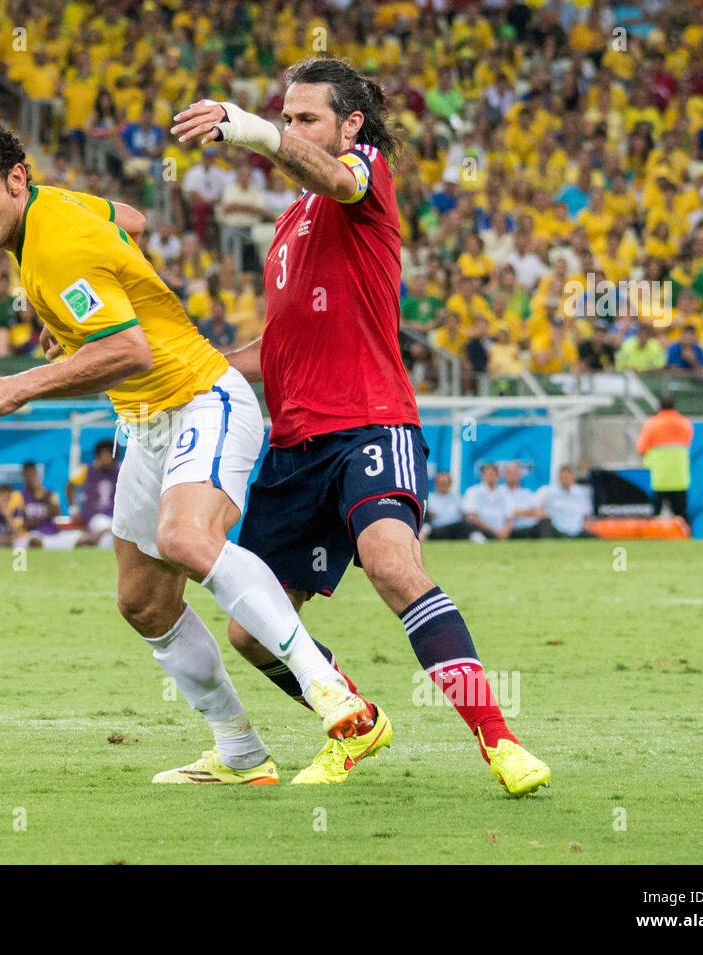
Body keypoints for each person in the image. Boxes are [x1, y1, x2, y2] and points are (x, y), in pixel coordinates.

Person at [0, 118, 370, 785]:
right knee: (143, 601)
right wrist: (100, 311)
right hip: (144, 422)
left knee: (185, 536)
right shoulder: (56, 207)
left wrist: (21, 383)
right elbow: (131, 218)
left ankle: (336, 694)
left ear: (16, 179)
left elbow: (130, 349)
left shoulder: (56, 244)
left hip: (203, 397)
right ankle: (240, 752)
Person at [173, 58, 549, 791]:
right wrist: (186, 365)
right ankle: (354, 719)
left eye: (305, 118)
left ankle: (500, 742)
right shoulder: (287, 224)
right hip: (293, 446)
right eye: (283, 117)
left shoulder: (362, 175)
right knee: (252, 629)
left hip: (372, 423)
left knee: (391, 562)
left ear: (349, 125)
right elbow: (273, 347)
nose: (291, 130)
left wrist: (247, 131)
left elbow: (335, 177)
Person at [637, 395, 694, 523]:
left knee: (656, 513)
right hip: (680, 475)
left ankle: (652, 537)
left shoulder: (652, 424)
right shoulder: (684, 423)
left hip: (660, 476)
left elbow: (641, 448)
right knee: (681, 513)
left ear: (659, 407)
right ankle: (685, 537)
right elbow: (687, 442)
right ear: (674, 407)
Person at [20, 461, 81, 549]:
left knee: (83, 539)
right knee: (34, 542)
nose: (31, 478)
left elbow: (58, 514)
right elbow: (23, 525)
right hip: (33, 534)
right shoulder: (19, 496)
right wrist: (45, 515)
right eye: (28, 474)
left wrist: (44, 496)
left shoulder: (49, 493)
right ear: (23, 476)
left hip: (52, 532)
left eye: (33, 474)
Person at [421, 472, 483, 541]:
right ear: (436, 484)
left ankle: (476, 536)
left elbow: (464, 513)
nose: (442, 485)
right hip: (438, 528)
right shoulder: (429, 498)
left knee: (466, 523)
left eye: (444, 483)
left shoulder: (457, 498)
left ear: (450, 484)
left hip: (456, 527)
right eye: (440, 483)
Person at [537, 466, 595, 538]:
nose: (565, 480)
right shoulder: (549, 491)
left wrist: (587, 524)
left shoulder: (580, 493)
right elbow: (536, 507)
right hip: (557, 530)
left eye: (567, 477)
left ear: (573, 478)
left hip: (576, 530)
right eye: (562, 477)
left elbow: (587, 514)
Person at [503, 462, 556, 538]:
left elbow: (538, 512)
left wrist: (520, 513)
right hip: (512, 529)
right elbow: (509, 513)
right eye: (511, 473)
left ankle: (547, 547)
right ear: (505, 475)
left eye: (516, 473)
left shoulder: (527, 493)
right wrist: (528, 512)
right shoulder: (500, 492)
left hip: (530, 527)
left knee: (546, 522)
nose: (513, 476)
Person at [461, 463, 513, 540]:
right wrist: (494, 532)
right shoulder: (473, 491)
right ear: (482, 476)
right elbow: (472, 517)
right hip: (481, 530)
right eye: (486, 474)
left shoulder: (505, 493)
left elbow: (509, 517)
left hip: (500, 531)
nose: (489, 477)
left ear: (498, 476)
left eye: (492, 474)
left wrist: (505, 532)